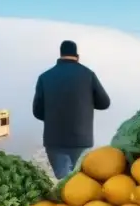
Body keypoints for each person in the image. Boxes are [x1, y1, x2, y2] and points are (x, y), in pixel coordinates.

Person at [32, 40, 111, 179]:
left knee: (64, 182)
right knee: (82, 184)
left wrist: (53, 115)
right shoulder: (88, 75)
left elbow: (37, 111)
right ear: (77, 56)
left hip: (55, 139)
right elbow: (104, 103)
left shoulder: (44, 77)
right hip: (82, 139)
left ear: (60, 54)